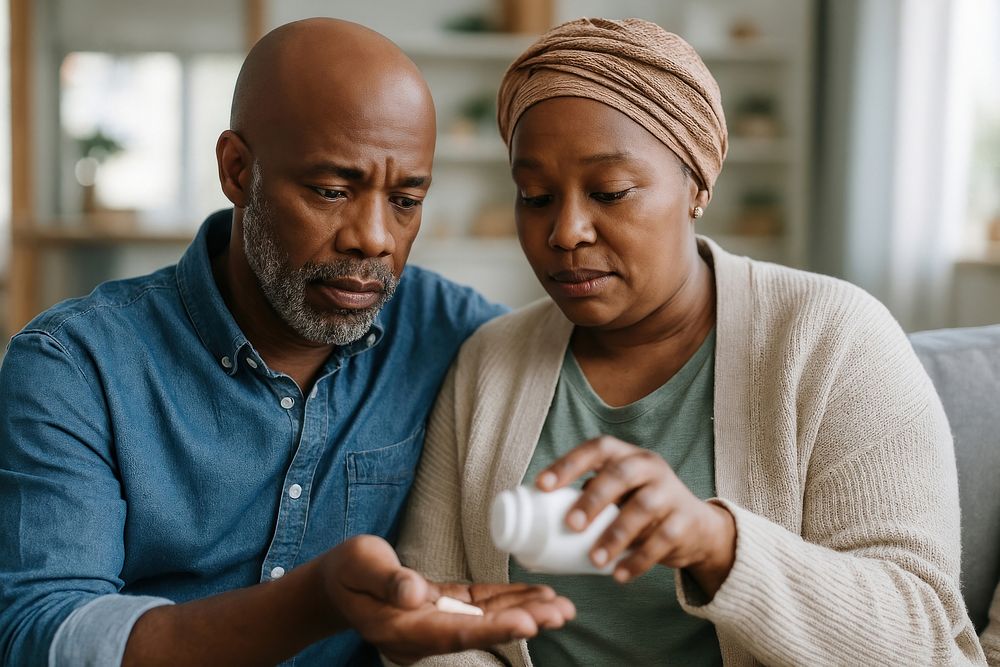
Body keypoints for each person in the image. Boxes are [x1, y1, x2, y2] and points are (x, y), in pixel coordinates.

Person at [397, 17, 986, 666]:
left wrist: (718, 544)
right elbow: (436, 620)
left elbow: (923, 637)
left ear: (697, 185)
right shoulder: (491, 362)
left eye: (609, 191)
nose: (565, 231)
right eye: (535, 197)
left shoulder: (832, 340)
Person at [0, 18, 574, 667]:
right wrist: (314, 604)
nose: (374, 238)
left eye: (407, 200)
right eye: (332, 191)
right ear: (237, 169)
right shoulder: (75, 365)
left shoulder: (453, 334)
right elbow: (40, 632)